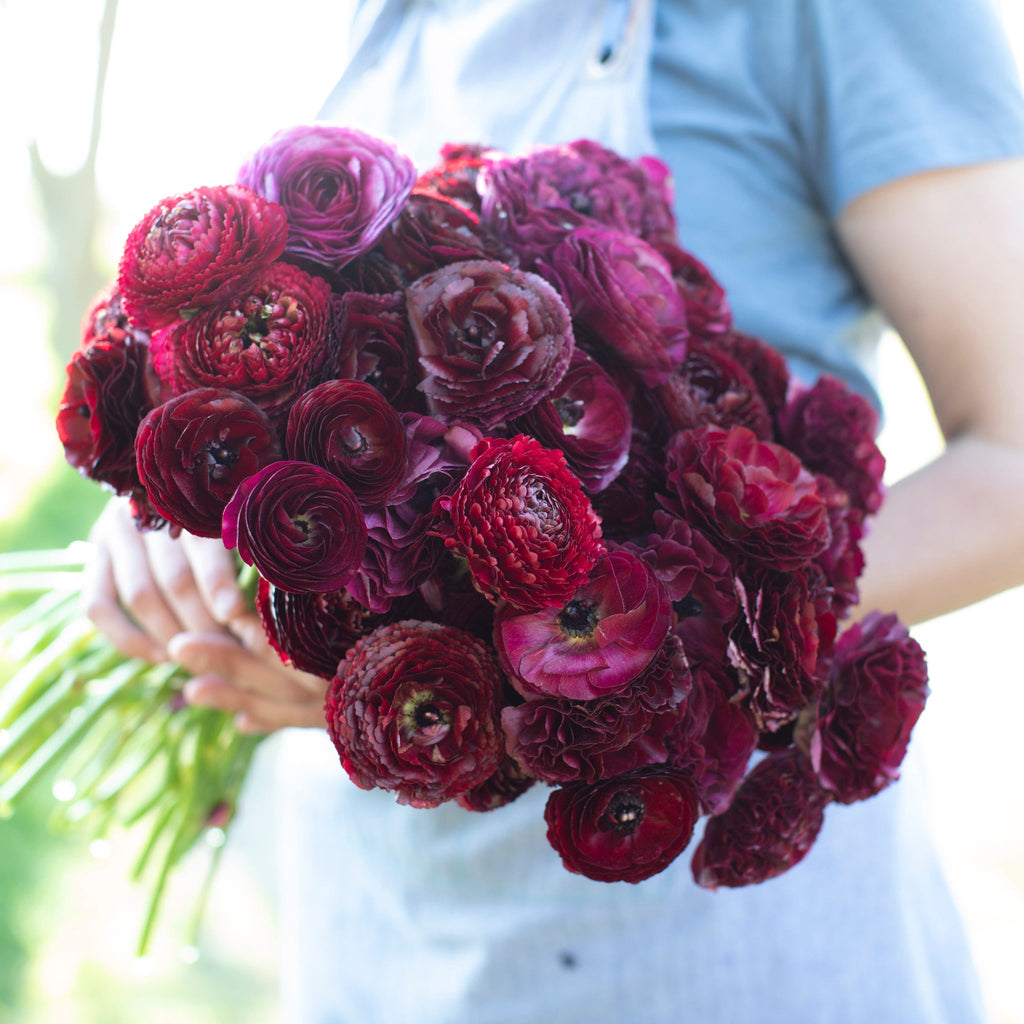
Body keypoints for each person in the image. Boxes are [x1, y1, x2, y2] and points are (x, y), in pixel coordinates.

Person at [85, 1, 1024, 1021]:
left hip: (712, 957)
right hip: (383, 918)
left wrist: (616, 639)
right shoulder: (388, 17)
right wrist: (179, 510)